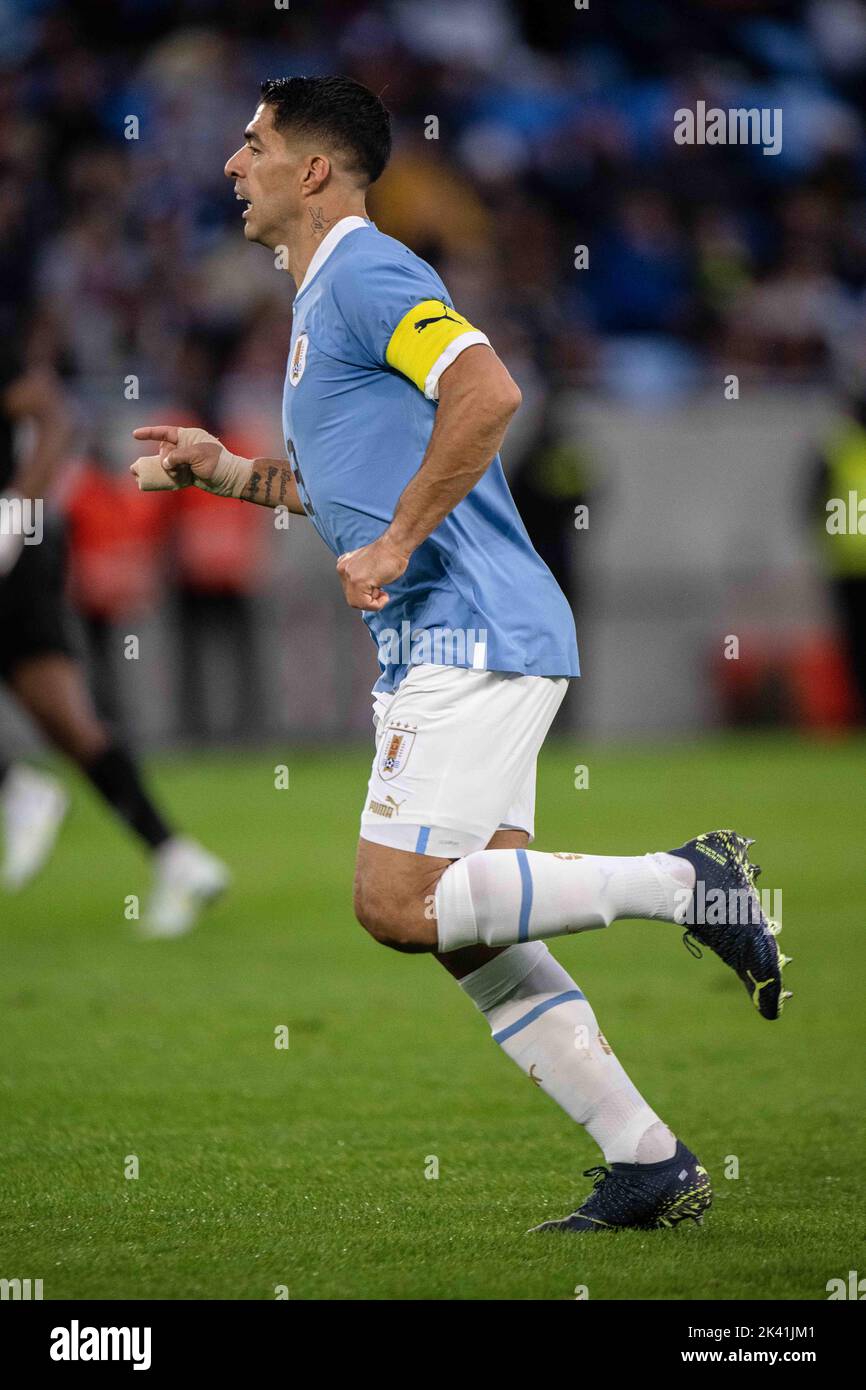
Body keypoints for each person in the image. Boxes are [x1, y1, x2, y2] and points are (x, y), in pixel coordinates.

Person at [131, 76, 791, 1232]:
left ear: (314, 171)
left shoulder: (370, 272)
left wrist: (396, 541)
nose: (232, 165)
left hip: (466, 631)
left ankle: (685, 880)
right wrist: (224, 471)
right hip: (461, 632)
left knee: (395, 905)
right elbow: (346, 487)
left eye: (253, 145)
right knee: (468, 935)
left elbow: (488, 392)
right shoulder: (321, 299)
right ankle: (646, 1158)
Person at [0, 336, 228, 933]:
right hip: (22, 553)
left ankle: (17, 786)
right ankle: (176, 856)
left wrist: (15, 512)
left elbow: (52, 412)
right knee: (69, 723)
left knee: (68, 717)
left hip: (12, 547)